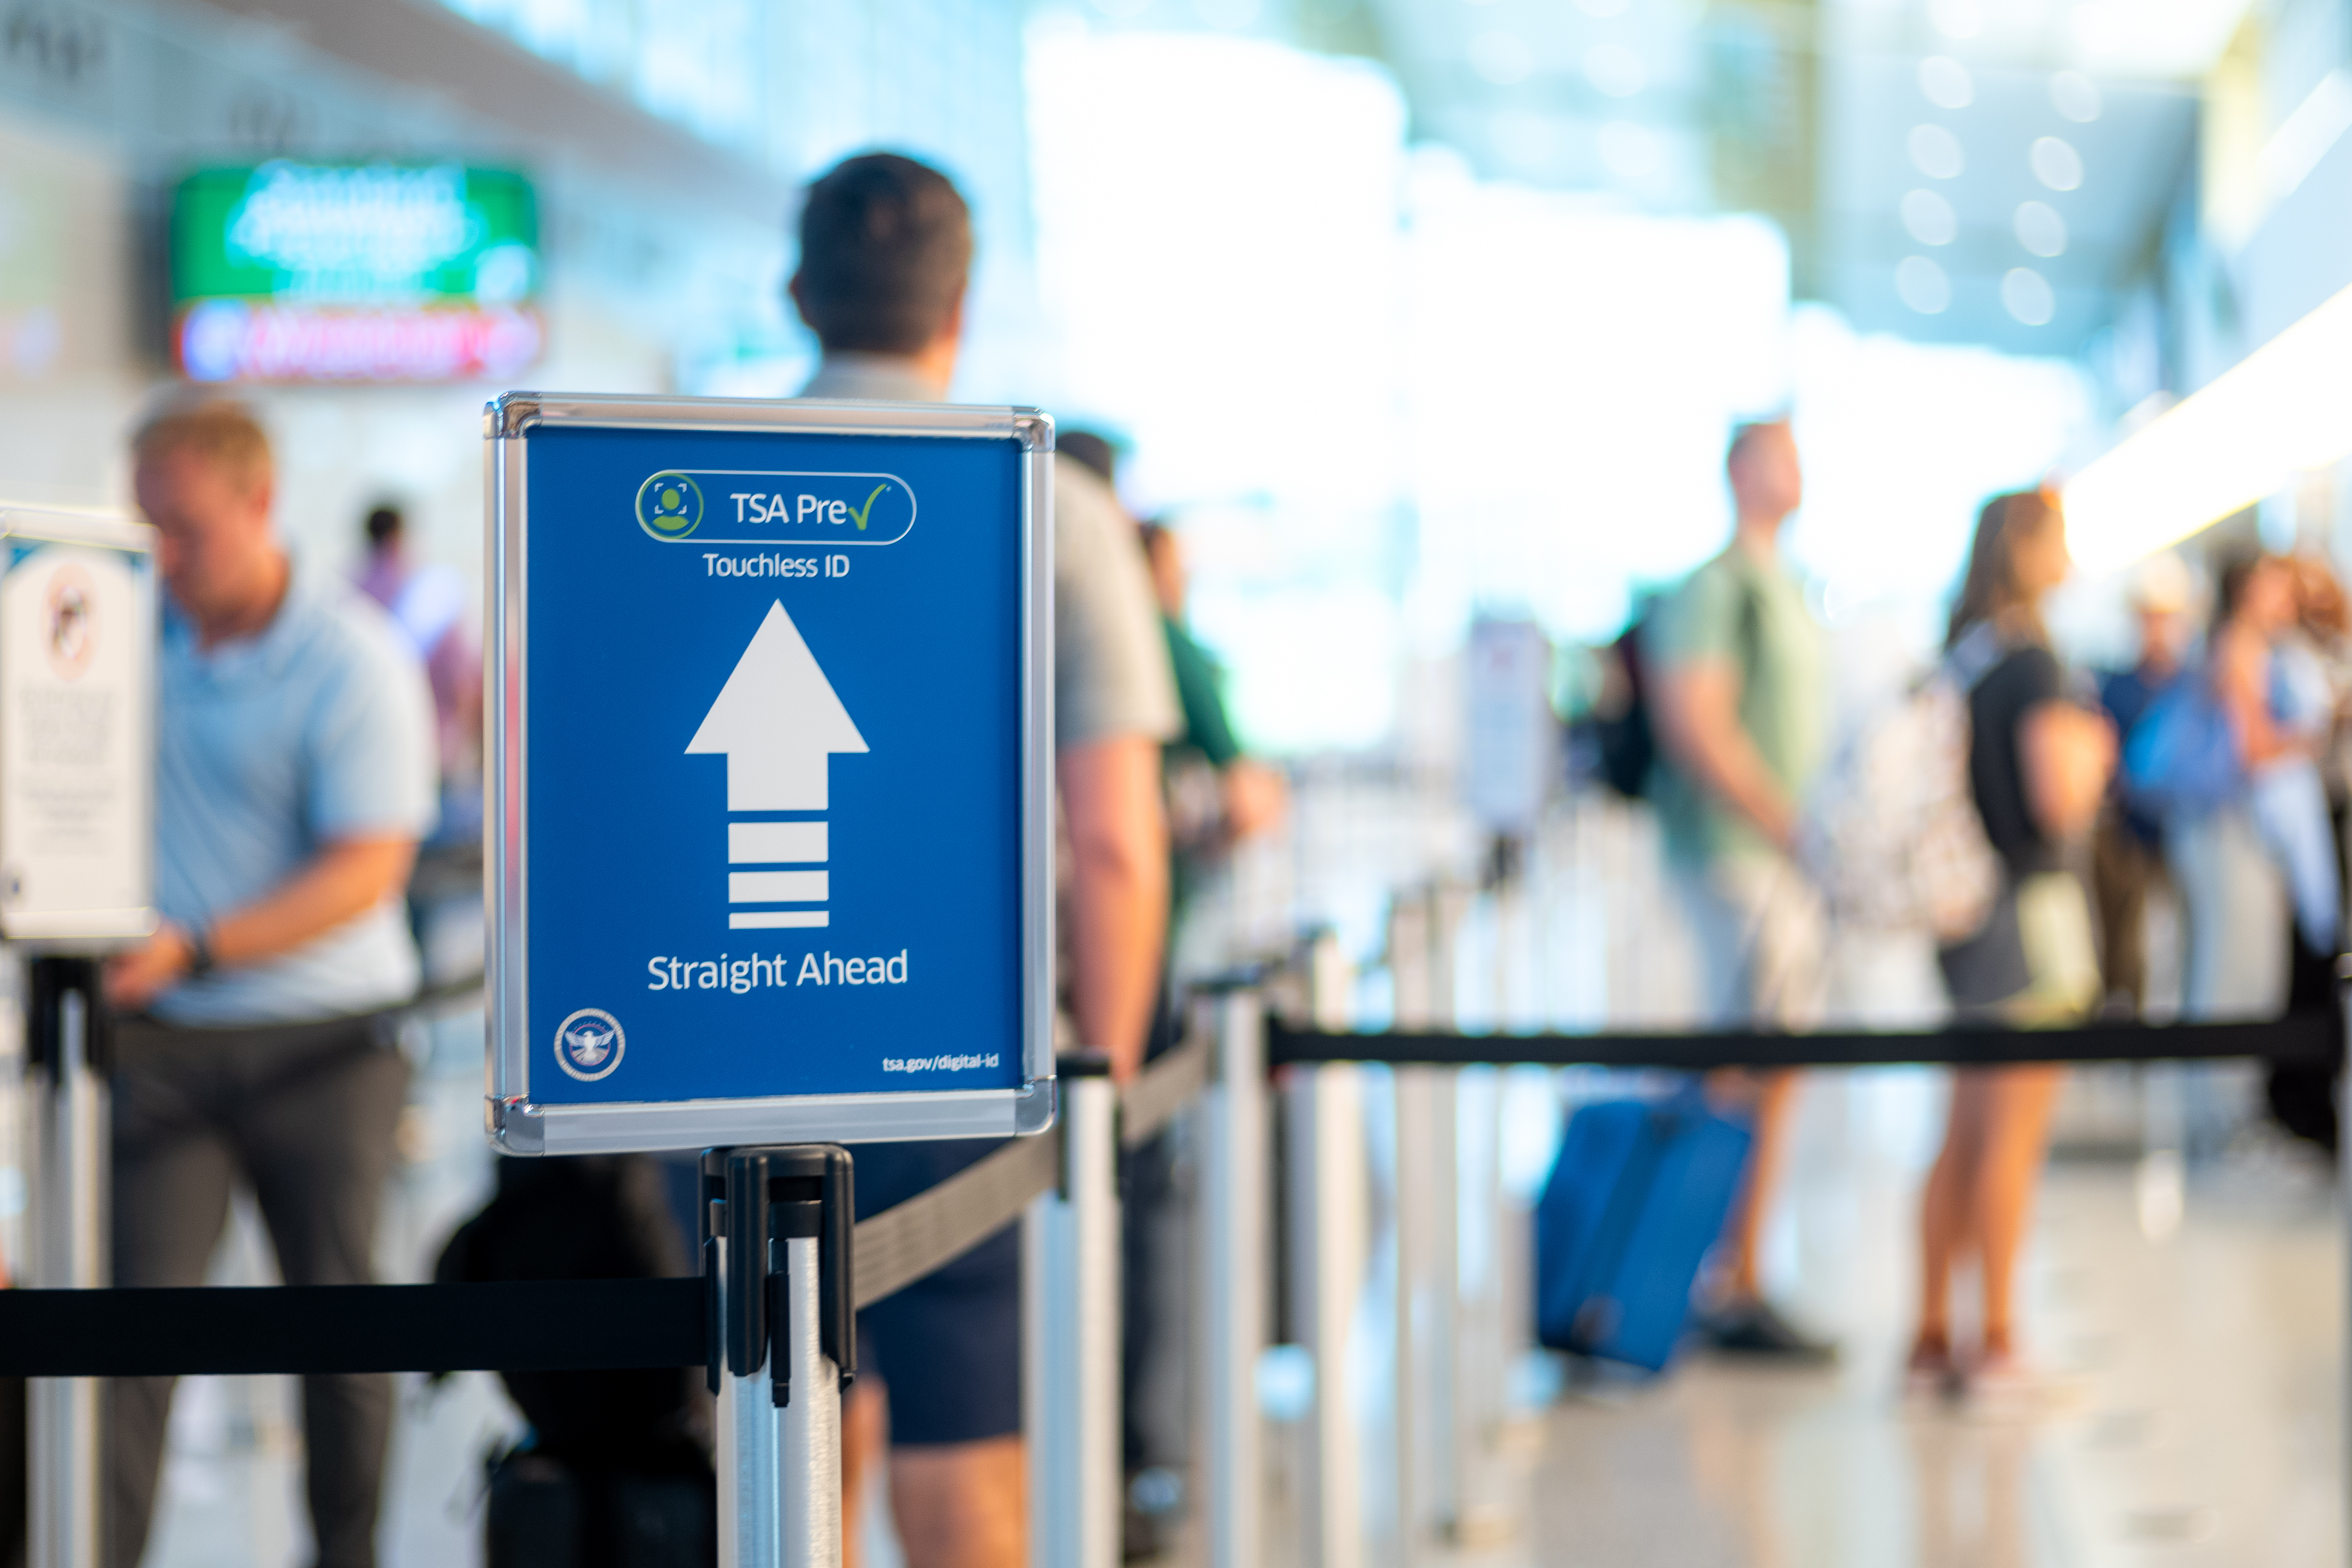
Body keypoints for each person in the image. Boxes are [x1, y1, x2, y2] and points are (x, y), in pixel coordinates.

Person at [787, 153, 1179, 1568]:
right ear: (960, 303)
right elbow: (1118, 843)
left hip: (714, 1063)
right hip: (953, 1067)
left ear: (797, 295)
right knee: (964, 1482)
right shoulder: (1048, 507)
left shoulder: (671, 481)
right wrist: (1105, 1093)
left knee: (785, 1453)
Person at [102, 398, 437, 1568]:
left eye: (185, 528)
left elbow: (368, 866)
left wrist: (196, 944)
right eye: (147, 530)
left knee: (338, 1335)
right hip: (166, 1053)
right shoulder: (132, 640)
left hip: (325, 1043)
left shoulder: (354, 659)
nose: (165, 557)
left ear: (259, 503)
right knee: (123, 1342)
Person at [1911, 490, 2113, 1398]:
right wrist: (2097, 750)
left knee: (1962, 1128)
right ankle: (1997, 1339)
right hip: (2028, 910)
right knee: (2012, 1136)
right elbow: (2057, 798)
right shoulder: (2034, 663)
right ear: (2027, 547)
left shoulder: (1965, 654)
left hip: (1962, 916)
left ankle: (1931, 1335)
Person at [1645, 418, 1833, 1360]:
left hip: (1781, 856)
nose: (1798, 473)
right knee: (1742, 1059)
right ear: (1738, 470)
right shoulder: (1713, 591)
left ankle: (1741, 1261)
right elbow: (1699, 723)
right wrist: (1785, 823)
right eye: (1781, 456)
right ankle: (1712, 1270)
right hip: (1736, 851)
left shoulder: (1786, 588)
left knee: (1777, 1055)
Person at [2090, 554, 2191, 1015]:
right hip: (2127, 830)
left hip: (2181, 827)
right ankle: (2125, 1014)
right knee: (2125, 935)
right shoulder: (2116, 685)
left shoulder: (2191, 685)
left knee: (2182, 932)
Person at [353, 502, 483, 835]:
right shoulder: (435, 595)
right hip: (431, 750)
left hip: (363, 754)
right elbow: (463, 683)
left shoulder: (346, 597)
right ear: (400, 537)